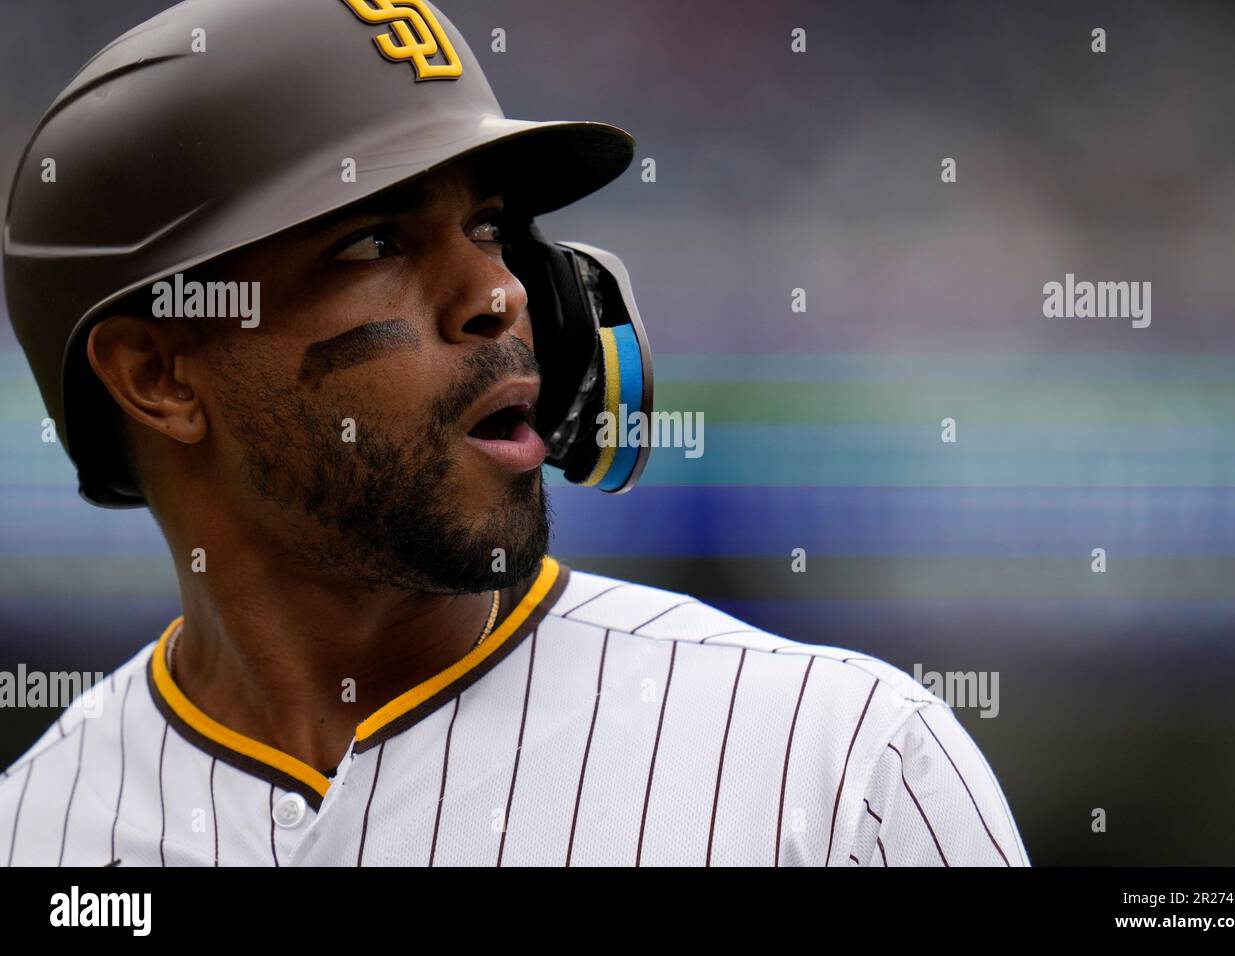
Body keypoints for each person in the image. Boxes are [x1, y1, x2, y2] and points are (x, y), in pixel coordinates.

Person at [0, 0, 1027, 866]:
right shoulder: (34, 833)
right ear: (158, 374)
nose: (499, 293)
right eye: (373, 241)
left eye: (490, 227)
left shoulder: (844, 767)